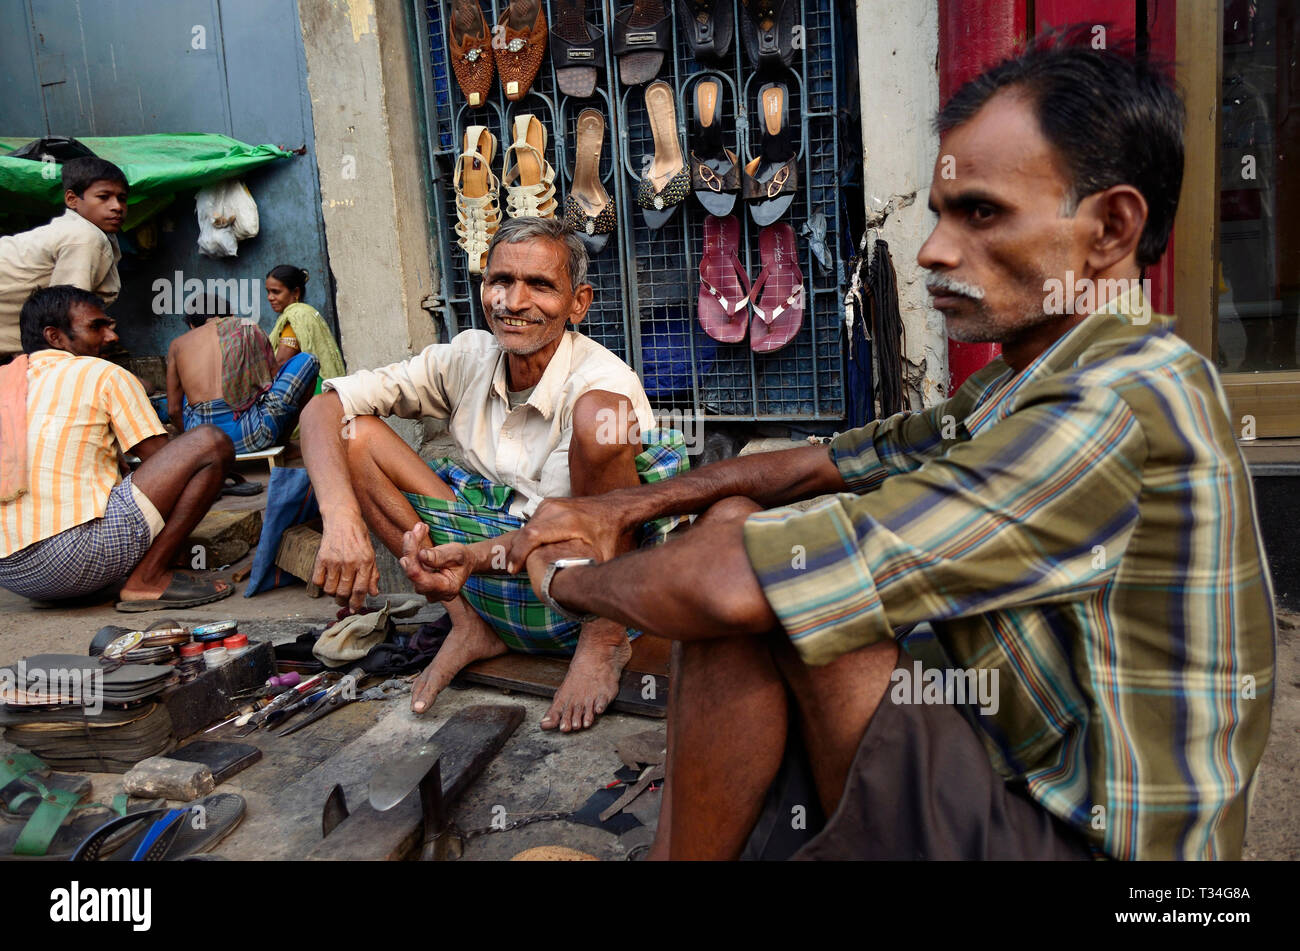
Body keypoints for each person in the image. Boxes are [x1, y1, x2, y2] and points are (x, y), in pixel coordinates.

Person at [434, 36, 1273, 860]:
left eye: (981, 213)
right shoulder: (1038, 378)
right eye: (943, 213)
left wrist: (568, 578)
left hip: (1084, 844)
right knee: (742, 531)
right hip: (1021, 762)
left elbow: (734, 583)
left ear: (1111, 228)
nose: (935, 251)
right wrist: (616, 504)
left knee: (754, 586)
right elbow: (820, 461)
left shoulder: (1112, 407)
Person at [300, 216, 687, 733]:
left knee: (600, 421)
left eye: (541, 285)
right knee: (354, 435)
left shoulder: (605, 381)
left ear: (579, 303)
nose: (513, 301)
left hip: (572, 576)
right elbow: (322, 409)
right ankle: (469, 624)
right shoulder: (467, 356)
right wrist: (341, 520)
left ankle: (604, 639)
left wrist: (596, 622)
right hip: (481, 568)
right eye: (500, 281)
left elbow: (592, 527)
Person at [0, 286, 234, 612]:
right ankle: (148, 579)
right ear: (55, 336)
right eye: (97, 327)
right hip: (70, 561)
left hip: (10, 574)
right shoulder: (102, 372)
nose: (111, 336)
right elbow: (163, 460)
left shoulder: (5, 382)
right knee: (210, 443)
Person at [0, 157, 128, 362]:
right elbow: (69, 318)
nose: (117, 206)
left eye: (122, 198)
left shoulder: (81, 232)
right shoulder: (84, 237)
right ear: (71, 199)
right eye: (104, 197)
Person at [167, 307, 319, 454]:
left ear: (192, 325)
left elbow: (173, 410)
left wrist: (191, 442)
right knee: (309, 360)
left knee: (186, 389)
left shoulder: (177, 344)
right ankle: (283, 443)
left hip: (203, 443)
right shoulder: (247, 327)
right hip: (253, 434)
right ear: (230, 315)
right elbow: (272, 379)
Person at [264, 264, 345, 390]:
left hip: (311, 396)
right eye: (268, 292)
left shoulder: (296, 318)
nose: (270, 297)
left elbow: (280, 362)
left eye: (276, 292)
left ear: (296, 292)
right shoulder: (306, 313)